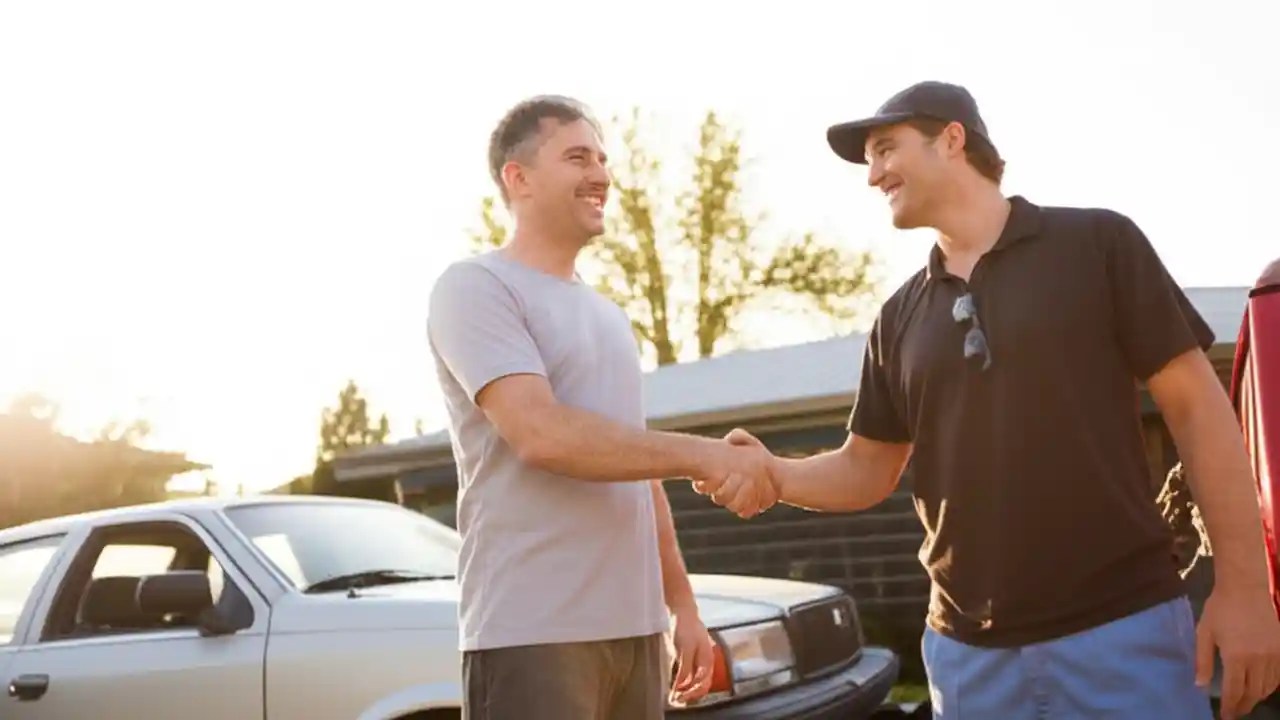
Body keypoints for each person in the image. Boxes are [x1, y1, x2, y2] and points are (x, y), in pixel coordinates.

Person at [704, 81, 1280, 719]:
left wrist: (1246, 588)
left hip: (1124, 633)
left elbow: (1200, 414)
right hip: (967, 660)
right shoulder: (898, 318)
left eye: (885, 149)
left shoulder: (1097, 246)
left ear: (952, 139)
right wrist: (774, 473)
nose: (873, 175)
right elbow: (865, 468)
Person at [426, 95, 776, 720]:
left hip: (636, 634)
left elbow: (633, 467)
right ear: (519, 177)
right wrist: (707, 454)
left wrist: (681, 606)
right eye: (577, 157)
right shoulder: (476, 288)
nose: (601, 175)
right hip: (532, 632)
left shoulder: (610, 317)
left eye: (603, 159)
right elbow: (543, 435)